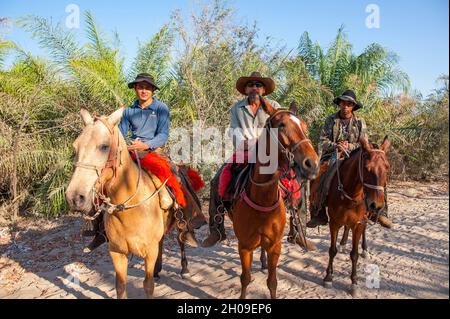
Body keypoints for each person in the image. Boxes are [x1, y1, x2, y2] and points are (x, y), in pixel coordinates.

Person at [306, 89, 392, 228]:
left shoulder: (359, 122)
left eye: (349, 104)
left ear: (353, 106)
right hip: (334, 154)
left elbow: (364, 142)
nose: (345, 106)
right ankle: (319, 212)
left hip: (355, 155)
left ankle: (381, 212)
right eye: (343, 103)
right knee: (318, 175)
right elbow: (322, 141)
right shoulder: (331, 120)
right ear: (339, 104)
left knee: (377, 172)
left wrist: (350, 146)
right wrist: (337, 145)